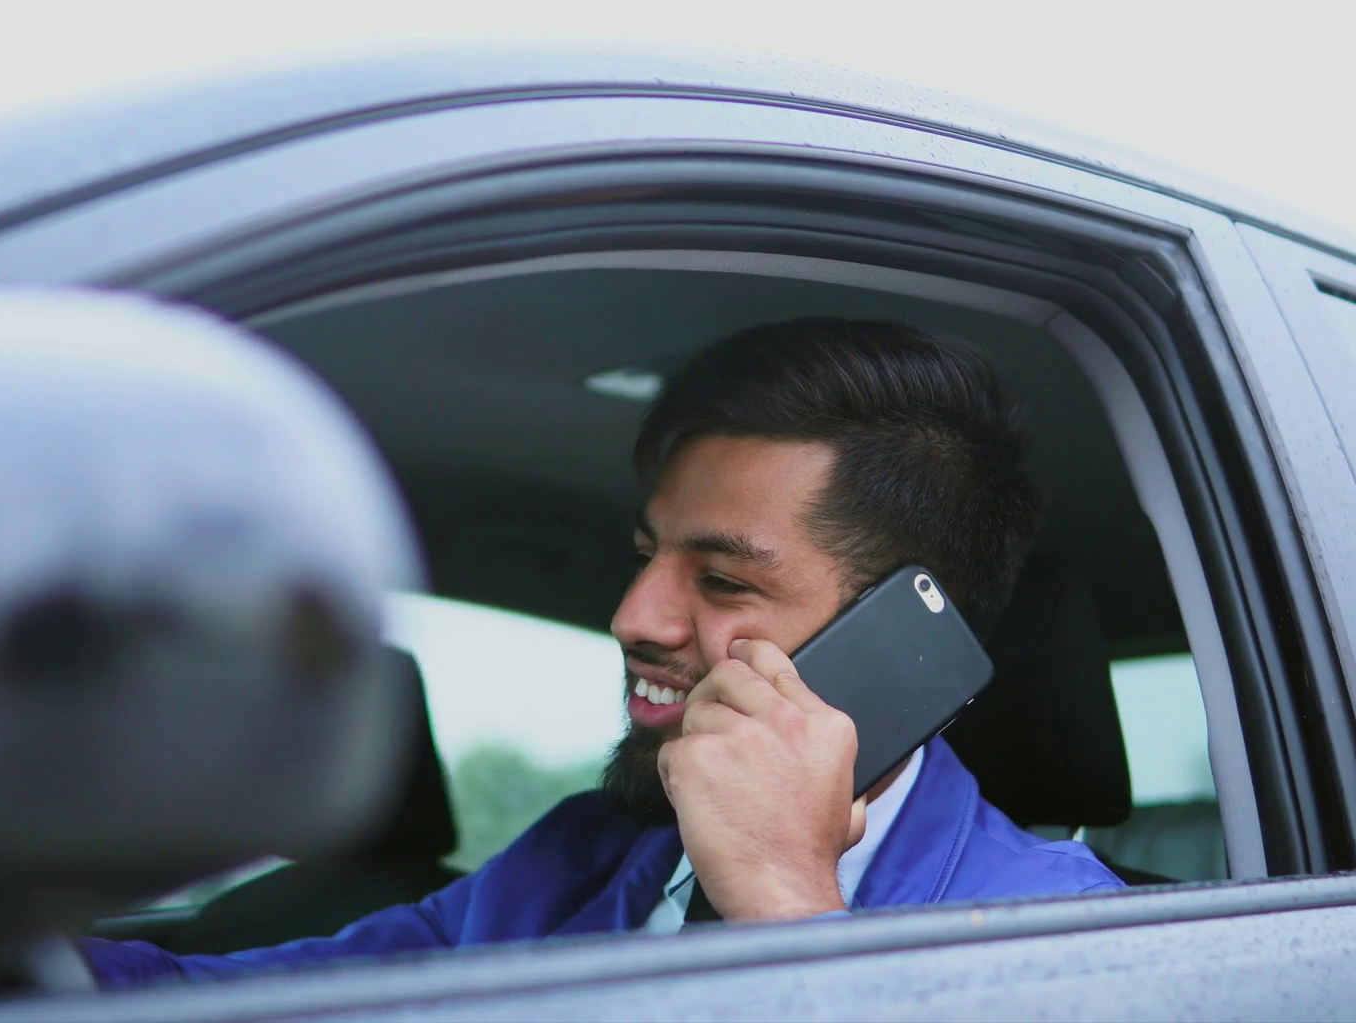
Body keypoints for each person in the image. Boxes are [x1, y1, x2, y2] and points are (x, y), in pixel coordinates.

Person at [83, 317, 1122, 988]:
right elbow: (241, 1005)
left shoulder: (1075, 945)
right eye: (645, 558)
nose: (634, 616)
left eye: (722, 581)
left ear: (903, 640)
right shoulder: (578, 855)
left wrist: (784, 902)